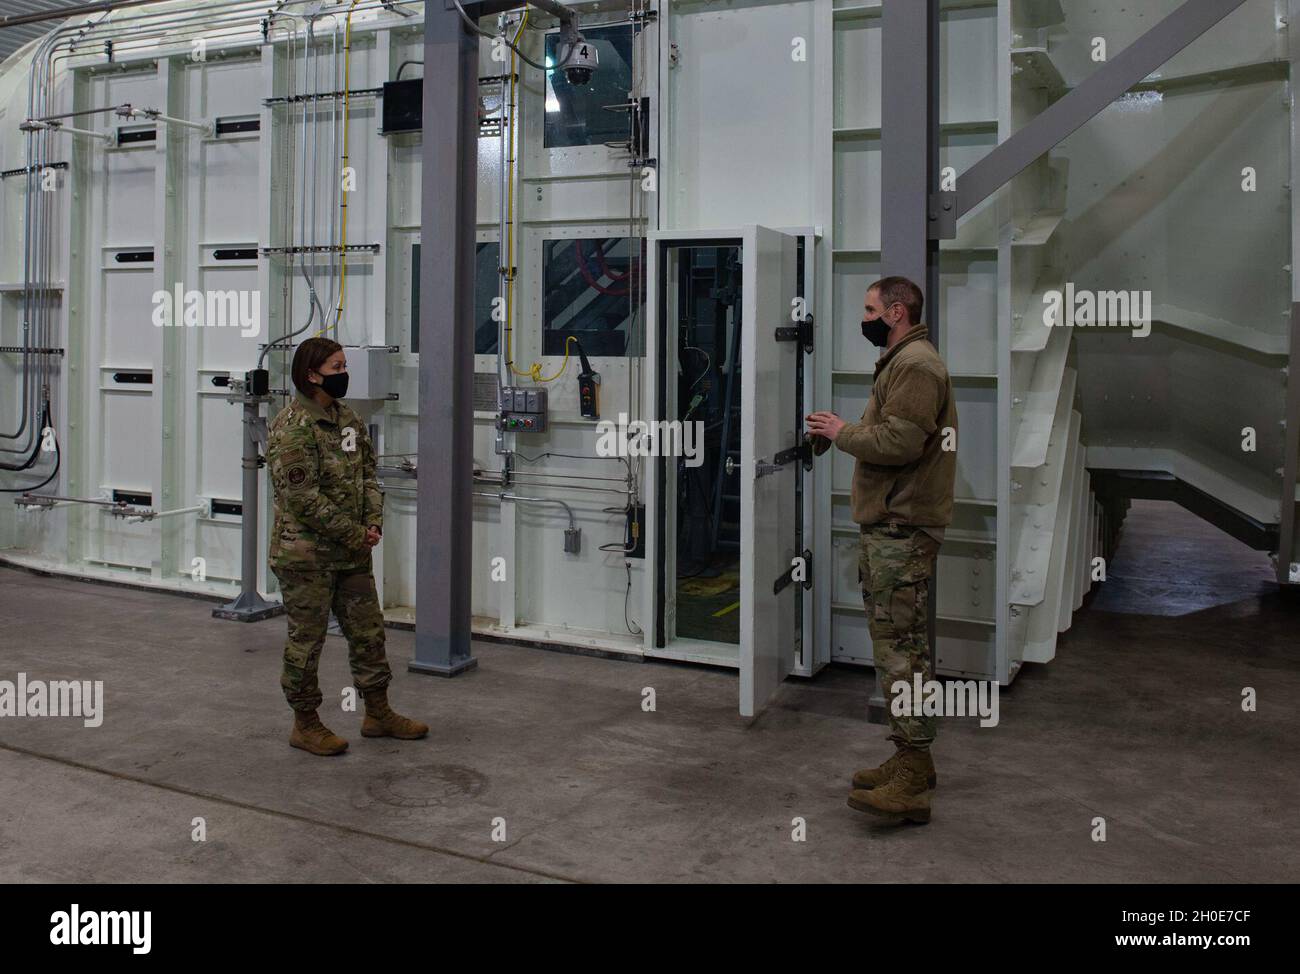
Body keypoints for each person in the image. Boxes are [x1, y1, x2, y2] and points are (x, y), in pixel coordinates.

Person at [805, 277, 957, 824]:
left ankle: (912, 779)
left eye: (869, 309)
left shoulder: (915, 365)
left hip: (902, 527)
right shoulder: (902, 361)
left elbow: (899, 443)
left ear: (895, 312)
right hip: (892, 525)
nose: (863, 318)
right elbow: (892, 431)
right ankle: (911, 757)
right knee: (898, 645)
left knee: (902, 652)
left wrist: (843, 432)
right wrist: (840, 430)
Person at [266, 337, 428, 756]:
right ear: (311, 375)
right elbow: (302, 499)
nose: (344, 374)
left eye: (344, 366)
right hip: (306, 558)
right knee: (307, 641)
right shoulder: (292, 428)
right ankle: (305, 723)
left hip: (351, 555)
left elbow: (367, 476)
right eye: (336, 368)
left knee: (368, 634)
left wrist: (372, 519)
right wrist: (357, 535)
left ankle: (378, 713)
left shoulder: (349, 421)